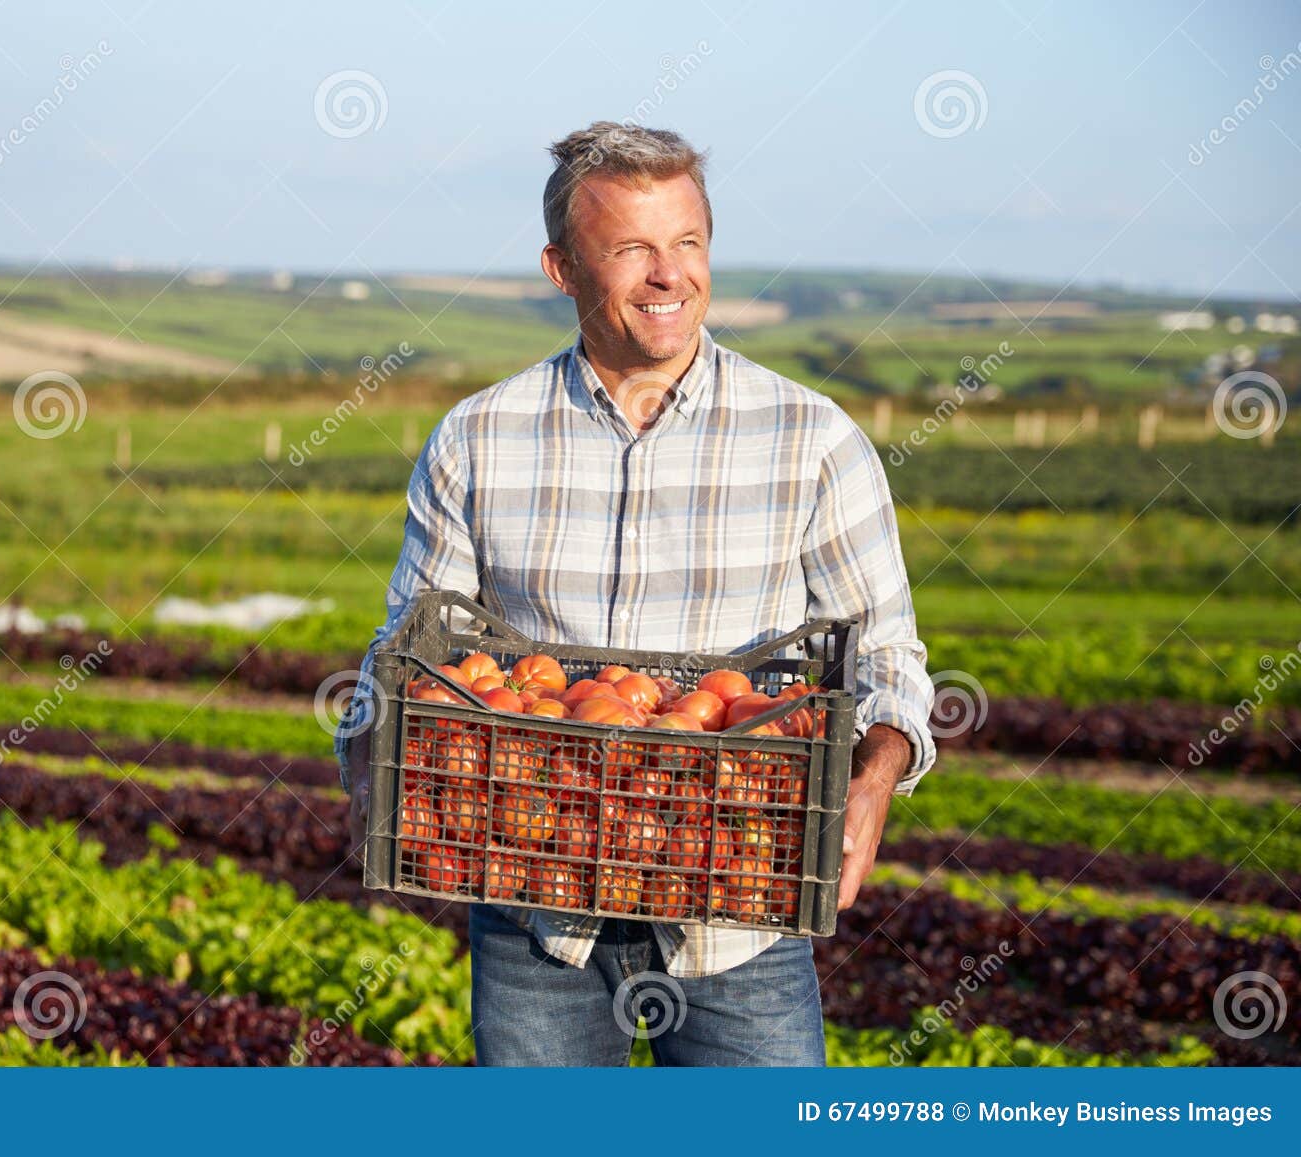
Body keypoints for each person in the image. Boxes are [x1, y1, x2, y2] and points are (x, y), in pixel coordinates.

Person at [336, 121, 935, 1066]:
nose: (669, 276)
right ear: (562, 267)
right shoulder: (478, 439)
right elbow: (413, 650)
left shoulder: (813, 440)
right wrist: (375, 751)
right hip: (539, 906)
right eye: (631, 250)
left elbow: (889, 655)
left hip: (740, 907)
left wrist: (876, 773)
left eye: (688, 243)